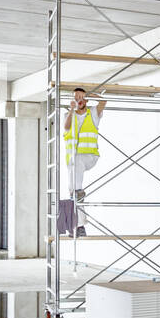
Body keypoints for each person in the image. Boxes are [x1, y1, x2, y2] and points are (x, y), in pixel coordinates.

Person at [63, 87, 107, 237]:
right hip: (73, 161)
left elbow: (103, 101)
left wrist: (89, 93)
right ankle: (78, 226)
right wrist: (71, 110)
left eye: (81, 98)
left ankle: (75, 224)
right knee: (73, 191)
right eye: (76, 98)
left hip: (88, 157)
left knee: (74, 188)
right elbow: (66, 127)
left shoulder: (93, 113)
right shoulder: (68, 115)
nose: (79, 100)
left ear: (86, 100)